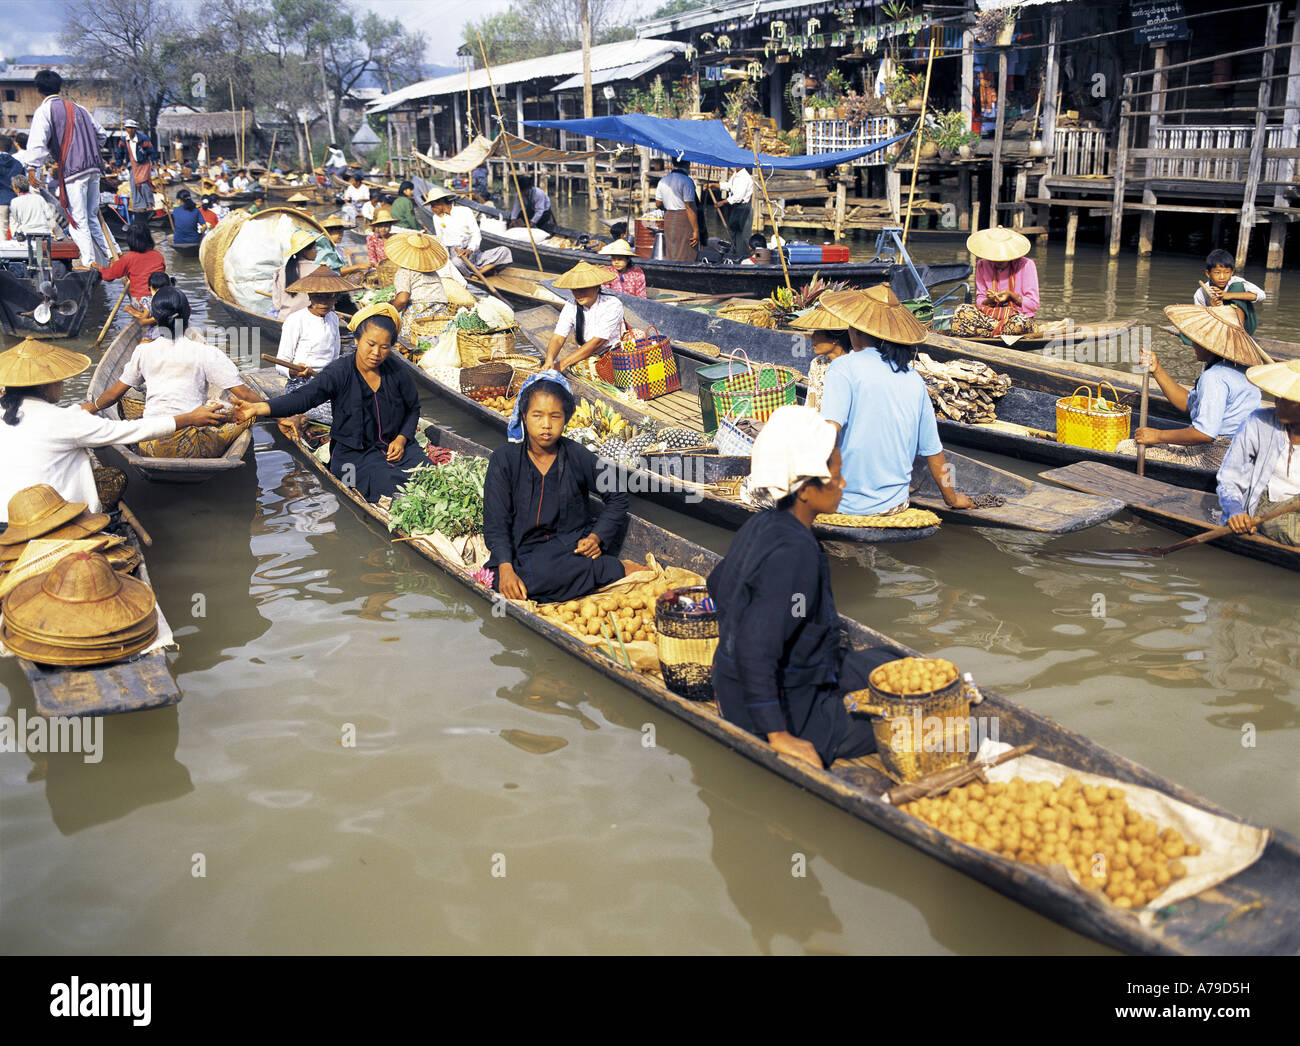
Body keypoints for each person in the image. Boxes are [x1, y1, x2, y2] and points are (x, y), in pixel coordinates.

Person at [708, 405, 899, 770]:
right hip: (774, 711)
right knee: (906, 720)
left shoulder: (763, 523)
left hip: (736, 685)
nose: (842, 483)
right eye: (835, 474)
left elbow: (717, 583)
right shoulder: (795, 552)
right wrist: (780, 737)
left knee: (889, 662)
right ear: (806, 490)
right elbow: (754, 648)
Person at [0, 337, 223, 516]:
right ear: (45, 386)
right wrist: (189, 418)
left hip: (6, 516)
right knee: (114, 478)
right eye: (58, 380)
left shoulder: (9, 412)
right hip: (50, 517)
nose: (61, 384)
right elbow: (128, 430)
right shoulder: (65, 420)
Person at [235, 304, 426, 501]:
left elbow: (413, 408)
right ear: (357, 340)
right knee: (390, 486)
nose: (376, 353)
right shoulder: (340, 371)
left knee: (428, 475)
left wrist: (402, 439)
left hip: (396, 449)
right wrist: (258, 407)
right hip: (354, 458)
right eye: (370, 344)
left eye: (384, 347)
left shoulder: (397, 371)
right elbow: (303, 398)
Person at [483, 371, 640, 603]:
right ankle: (605, 571)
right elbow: (496, 523)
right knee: (501, 582)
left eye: (555, 416)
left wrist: (596, 537)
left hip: (570, 548)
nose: (546, 425)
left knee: (539, 578)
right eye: (537, 415)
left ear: (565, 419)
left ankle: (608, 569)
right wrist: (505, 567)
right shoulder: (504, 460)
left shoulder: (577, 456)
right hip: (520, 551)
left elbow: (617, 496)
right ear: (524, 416)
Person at [818, 286, 974, 515]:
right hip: (895, 505)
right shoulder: (914, 379)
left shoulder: (842, 367)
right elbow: (934, 452)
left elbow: (828, 433)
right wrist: (952, 499)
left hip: (845, 505)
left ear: (857, 331)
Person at [87, 287, 260, 458]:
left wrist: (92, 407)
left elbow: (112, 396)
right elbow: (244, 394)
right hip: (191, 447)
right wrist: (278, 416)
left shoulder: (143, 351)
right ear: (189, 313)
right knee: (246, 413)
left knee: (126, 403)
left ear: (154, 318)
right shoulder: (205, 352)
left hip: (150, 444)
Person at [1116, 304, 1268, 470]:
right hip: (1245, 449)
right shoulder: (1238, 368)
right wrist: (1157, 369)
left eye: (1197, 340)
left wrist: (1158, 435)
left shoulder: (1214, 377)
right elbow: (1189, 404)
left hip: (1219, 456)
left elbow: (1205, 434)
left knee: (1125, 448)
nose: (1193, 344)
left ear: (1209, 344)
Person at [12, 68, 113, 267]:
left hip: (74, 172)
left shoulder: (44, 110)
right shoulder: (79, 108)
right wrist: (86, 150)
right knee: (92, 217)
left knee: (78, 219)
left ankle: (89, 261)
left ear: (39, 91)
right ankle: (110, 255)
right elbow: (101, 135)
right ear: (59, 88)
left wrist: (32, 168)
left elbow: (38, 142)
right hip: (93, 169)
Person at [1218, 358, 1300, 546]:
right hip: (1268, 505)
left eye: (1288, 401)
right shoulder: (1258, 423)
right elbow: (1230, 477)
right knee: (1286, 530)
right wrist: (1235, 511)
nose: (1278, 403)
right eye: (1278, 396)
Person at [275, 269, 353, 432]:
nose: (323, 302)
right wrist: (296, 371)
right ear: (310, 296)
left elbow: (335, 358)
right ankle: (304, 416)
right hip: (301, 386)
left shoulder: (333, 319)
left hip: (326, 384)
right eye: (318, 296)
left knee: (358, 408)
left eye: (329, 297)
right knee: (344, 416)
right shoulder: (296, 320)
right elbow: (280, 364)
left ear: (336, 297)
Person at [952, 227, 1039, 337]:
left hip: (1016, 318)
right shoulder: (982, 264)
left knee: (1019, 323)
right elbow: (980, 301)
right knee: (961, 311)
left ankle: (985, 332)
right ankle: (997, 332)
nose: (997, 261)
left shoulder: (1026, 265)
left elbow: (1033, 304)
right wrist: (990, 300)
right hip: (991, 318)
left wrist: (1011, 296)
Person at [541, 262, 625, 374]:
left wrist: (563, 364)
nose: (578, 293)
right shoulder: (571, 304)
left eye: (584, 289)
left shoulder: (612, 304)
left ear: (596, 287)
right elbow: (558, 337)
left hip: (612, 354)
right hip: (587, 353)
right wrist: (549, 360)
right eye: (574, 289)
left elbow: (598, 341)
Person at [425, 185, 513, 278]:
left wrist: (470, 249)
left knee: (505, 251)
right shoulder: (436, 218)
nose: (431, 208)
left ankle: (479, 273)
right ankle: (477, 273)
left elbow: (476, 233)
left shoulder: (464, 211)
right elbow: (440, 240)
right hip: (455, 254)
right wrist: (446, 256)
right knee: (456, 262)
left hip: (472, 252)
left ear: (441, 201)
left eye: (433, 205)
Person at [386, 231, 451, 342]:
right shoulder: (432, 272)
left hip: (418, 312)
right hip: (441, 312)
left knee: (406, 337)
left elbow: (402, 299)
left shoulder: (404, 271)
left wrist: (389, 314)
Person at [790, 303, 852, 411]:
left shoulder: (853, 365)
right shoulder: (817, 363)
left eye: (817, 333)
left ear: (834, 338)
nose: (812, 337)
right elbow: (811, 402)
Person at [1192, 248, 1265, 336]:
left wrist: (1228, 295)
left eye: (1227, 272)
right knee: (1188, 331)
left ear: (1232, 272)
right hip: (1218, 326)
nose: (1222, 277)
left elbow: (1262, 295)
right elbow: (1201, 319)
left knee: (1237, 287)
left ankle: (1238, 332)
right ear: (1208, 273)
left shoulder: (1236, 281)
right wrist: (1212, 309)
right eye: (1217, 272)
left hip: (1244, 327)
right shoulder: (1201, 293)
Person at [98, 219, 166, 306]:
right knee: (179, 318)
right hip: (162, 299)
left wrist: (99, 268)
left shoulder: (128, 258)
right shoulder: (158, 256)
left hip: (142, 302)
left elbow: (108, 276)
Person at [272, 228, 327, 318]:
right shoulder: (319, 271)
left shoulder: (281, 272)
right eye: (314, 248)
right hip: (311, 320)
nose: (316, 251)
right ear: (304, 251)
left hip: (286, 319)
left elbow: (277, 305)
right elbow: (326, 301)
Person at [655, 159, 699, 263]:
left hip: (669, 217)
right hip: (684, 218)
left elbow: (658, 204)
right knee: (686, 251)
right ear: (688, 164)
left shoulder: (663, 180)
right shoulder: (687, 181)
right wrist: (696, 230)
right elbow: (689, 207)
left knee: (672, 249)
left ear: (673, 164)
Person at [113, 119, 157, 216]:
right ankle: (139, 205)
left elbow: (150, 149)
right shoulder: (123, 140)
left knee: (144, 183)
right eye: (128, 128)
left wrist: (154, 160)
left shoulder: (143, 138)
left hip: (143, 163)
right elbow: (120, 153)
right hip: (132, 164)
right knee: (134, 184)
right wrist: (118, 165)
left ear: (135, 129)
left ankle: (149, 204)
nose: (130, 130)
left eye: (132, 128)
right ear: (126, 129)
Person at [122, 271, 176, 336]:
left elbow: (143, 320)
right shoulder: (150, 301)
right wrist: (155, 319)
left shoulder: (171, 299)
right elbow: (143, 320)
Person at [718, 165, 754, 257]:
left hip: (744, 208)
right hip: (736, 208)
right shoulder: (735, 174)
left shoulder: (745, 177)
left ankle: (743, 257)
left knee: (743, 237)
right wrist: (713, 185)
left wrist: (723, 202)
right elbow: (729, 186)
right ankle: (734, 255)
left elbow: (738, 197)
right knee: (733, 233)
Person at [0, 135, 24, 239]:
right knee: (16, 228)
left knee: (2, 229)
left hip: (1, 199)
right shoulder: (17, 163)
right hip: (15, 199)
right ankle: (18, 252)